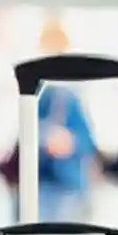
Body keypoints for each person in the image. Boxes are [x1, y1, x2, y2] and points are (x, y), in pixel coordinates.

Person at [33, 19, 97, 223]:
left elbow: (87, 141)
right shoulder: (37, 93)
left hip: (69, 183)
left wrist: (70, 142)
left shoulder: (71, 95)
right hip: (43, 183)